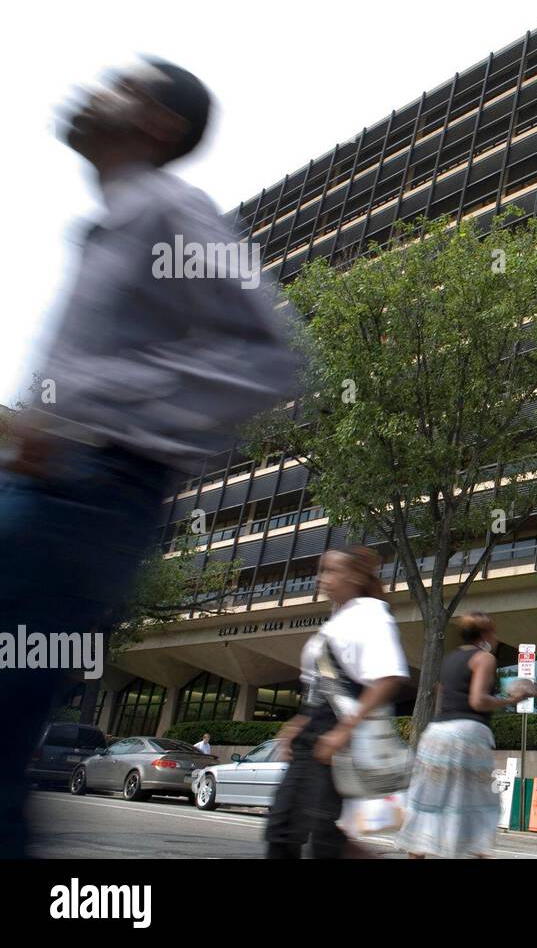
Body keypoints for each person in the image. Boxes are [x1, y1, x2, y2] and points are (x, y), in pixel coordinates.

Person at [0, 58, 300, 859]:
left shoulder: (172, 208)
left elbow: (273, 356)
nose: (97, 88)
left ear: (157, 123)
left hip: (86, 493)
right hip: (49, 491)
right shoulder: (113, 224)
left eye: (123, 84)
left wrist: (90, 407)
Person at [265, 548, 408, 859]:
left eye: (330, 571)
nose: (322, 578)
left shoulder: (370, 615)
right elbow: (321, 689)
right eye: (321, 570)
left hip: (337, 736)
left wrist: (344, 731)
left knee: (315, 834)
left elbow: (387, 678)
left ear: (355, 576)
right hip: (316, 732)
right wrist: (296, 725)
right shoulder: (338, 619)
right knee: (291, 829)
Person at [397, 612, 535, 858]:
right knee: (475, 804)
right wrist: (512, 699)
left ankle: (416, 853)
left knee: (429, 800)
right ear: (484, 634)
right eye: (493, 632)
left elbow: (442, 697)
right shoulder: (485, 658)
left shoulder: (450, 659)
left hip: (437, 733)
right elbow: (478, 700)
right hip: (467, 735)